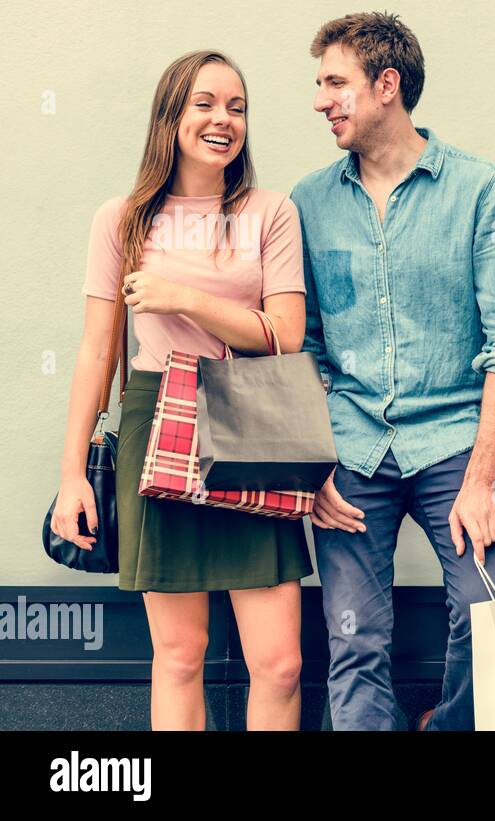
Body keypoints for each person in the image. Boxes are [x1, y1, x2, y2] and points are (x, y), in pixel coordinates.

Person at [290, 12, 495, 731]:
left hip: (457, 441)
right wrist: (313, 466)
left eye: (335, 82)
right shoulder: (307, 202)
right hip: (351, 449)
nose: (320, 100)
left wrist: (483, 475)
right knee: (353, 636)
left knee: (488, 607)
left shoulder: (481, 189)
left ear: (386, 86)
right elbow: (302, 347)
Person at [51, 50, 312, 730]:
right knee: (179, 652)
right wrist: (72, 472)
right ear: (170, 115)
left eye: (237, 107)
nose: (223, 119)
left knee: (281, 660)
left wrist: (184, 297)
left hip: (251, 421)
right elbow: (92, 349)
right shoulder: (123, 218)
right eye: (205, 103)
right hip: (154, 419)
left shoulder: (270, 212)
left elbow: (286, 334)